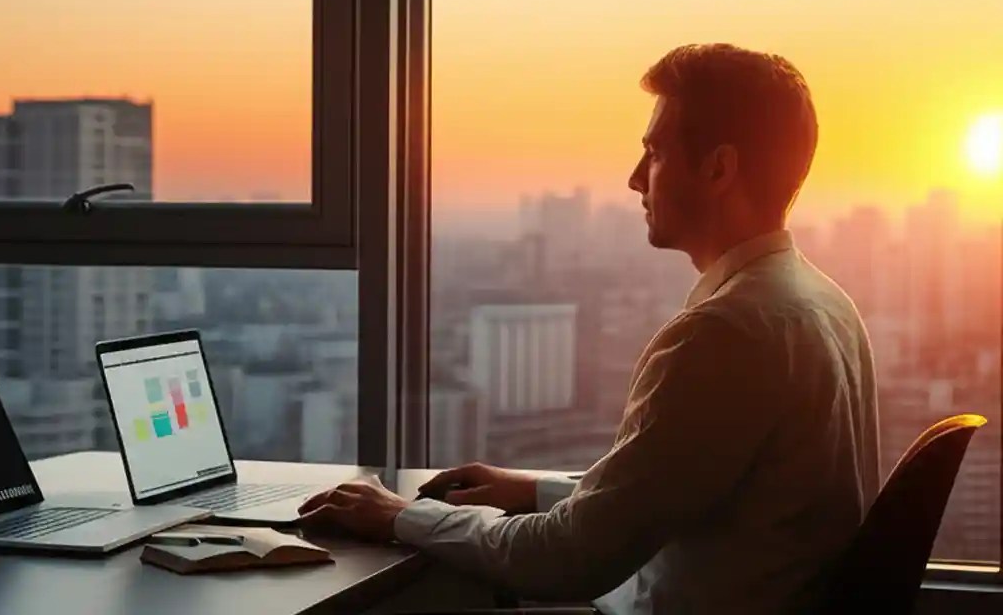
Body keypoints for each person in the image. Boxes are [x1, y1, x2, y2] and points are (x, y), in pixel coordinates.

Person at [298, 44, 881, 614]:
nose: (634, 179)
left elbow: (569, 558)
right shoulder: (823, 302)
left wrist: (399, 515)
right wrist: (532, 490)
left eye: (653, 152)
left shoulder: (724, 334)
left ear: (718, 167)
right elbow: (673, 491)